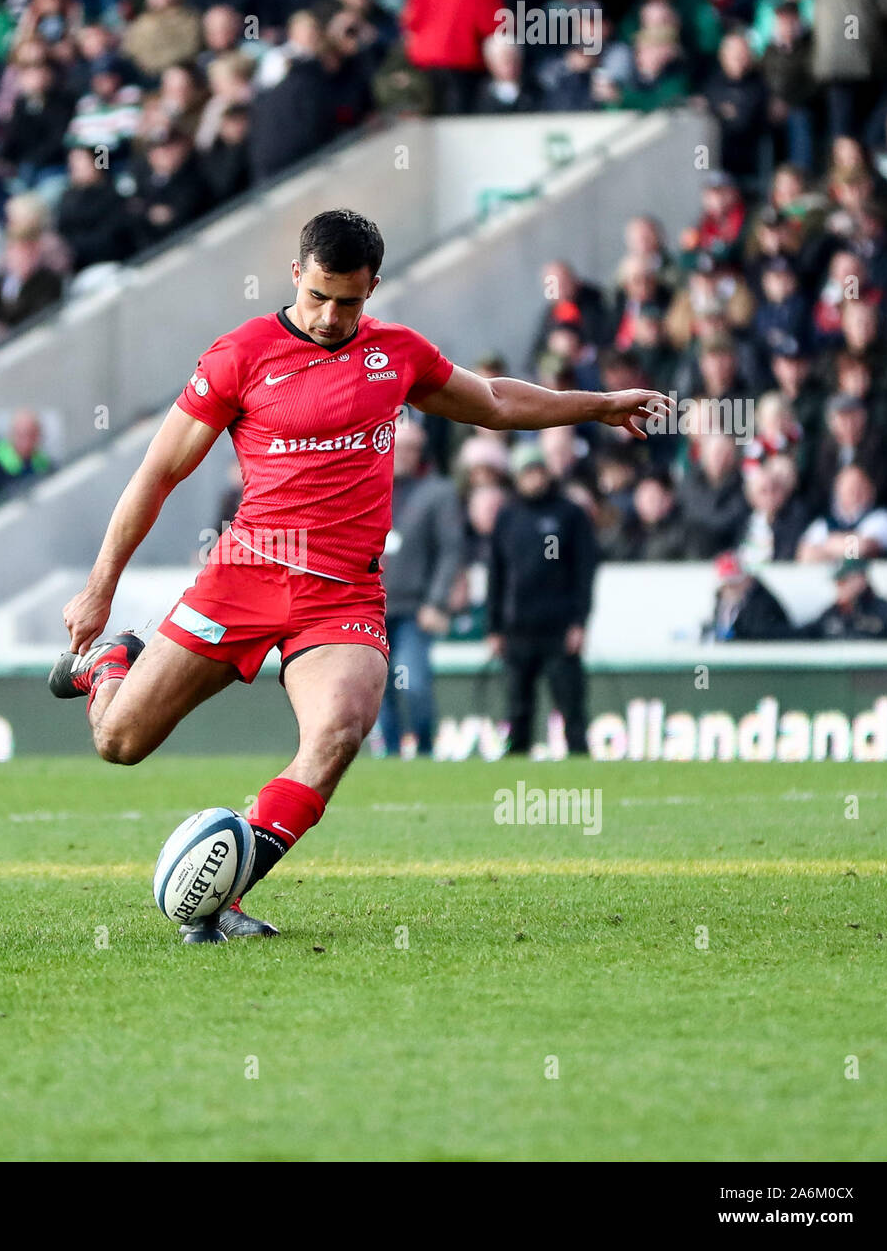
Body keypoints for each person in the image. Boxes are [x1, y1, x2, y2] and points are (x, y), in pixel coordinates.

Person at [47, 210, 669, 942]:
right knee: (119, 743)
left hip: (342, 596)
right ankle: (113, 664)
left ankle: (226, 895)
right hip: (243, 576)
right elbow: (158, 474)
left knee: (338, 732)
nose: (332, 316)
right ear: (295, 276)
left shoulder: (396, 356)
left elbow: (496, 402)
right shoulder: (239, 356)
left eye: (349, 300)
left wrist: (596, 406)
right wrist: (100, 588)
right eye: (318, 296)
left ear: (373, 286)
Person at [486, 442, 598, 758]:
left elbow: (584, 573)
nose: (534, 479)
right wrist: (493, 627)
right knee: (518, 707)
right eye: (527, 473)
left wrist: (579, 622)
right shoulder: (507, 516)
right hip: (518, 628)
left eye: (538, 471)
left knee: (571, 705)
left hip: (559, 628)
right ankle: (515, 767)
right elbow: (496, 574)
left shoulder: (570, 514)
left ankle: (580, 760)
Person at [376, 418, 464, 758]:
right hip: (371, 608)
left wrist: (436, 600)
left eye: (411, 449)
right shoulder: (369, 488)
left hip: (414, 608)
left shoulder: (437, 492)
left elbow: (451, 549)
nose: (404, 456)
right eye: (399, 448)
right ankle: (390, 755)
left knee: (413, 683)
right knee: (376, 691)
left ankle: (425, 749)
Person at [0, 409, 54, 509]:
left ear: (38, 436)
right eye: (20, 435)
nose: (26, 441)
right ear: (11, 435)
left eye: (31, 434)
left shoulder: (44, 465)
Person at [800, 557, 887, 639]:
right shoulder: (832, 614)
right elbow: (803, 635)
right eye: (837, 582)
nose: (839, 587)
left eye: (843, 582)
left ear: (861, 579)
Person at [706, 551, 791, 641]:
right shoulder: (721, 601)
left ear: (748, 579)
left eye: (734, 583)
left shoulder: (762, 602)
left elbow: (760, 634)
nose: (730, 588)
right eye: (726, 584)